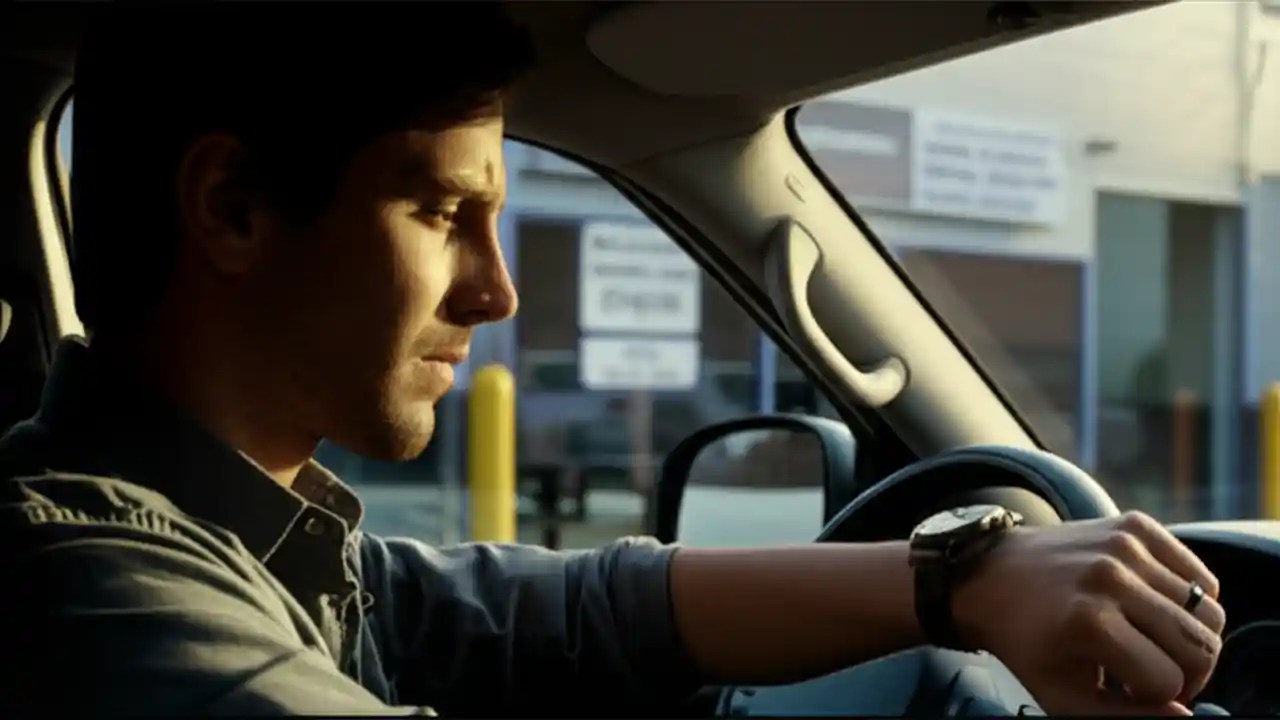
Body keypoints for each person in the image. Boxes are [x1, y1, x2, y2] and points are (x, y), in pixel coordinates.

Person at [0, 5, 1225, 717]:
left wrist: (968, 577)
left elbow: (574, 610)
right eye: (440, 214)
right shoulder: (102, 605)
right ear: (233, 211)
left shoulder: (250, 538)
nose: (496, 288)